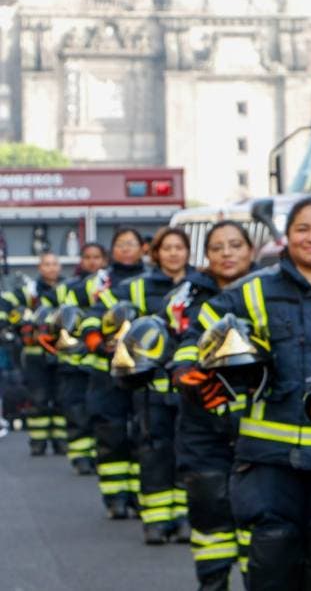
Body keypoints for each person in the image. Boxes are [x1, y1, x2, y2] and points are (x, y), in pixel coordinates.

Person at [175, 197, 311, 591]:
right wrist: (188, 368)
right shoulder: (253, 290)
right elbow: (197, 331)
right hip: (267, 459)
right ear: (287, 237)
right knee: (271, 560)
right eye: (303, 229)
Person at [169, 220, 255, 591]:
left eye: (235, 245)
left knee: (259, 514)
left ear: (250, 251)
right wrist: (183, 371)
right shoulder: (185, 299)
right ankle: (213, 583)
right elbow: (174, 344)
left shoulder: (268, 292)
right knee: (208, 509)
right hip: (202, 421)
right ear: (207, 255)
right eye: (218, 246)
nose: (226, 253)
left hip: (257, 422)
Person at [97, 227, 195, 543]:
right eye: (167, 248)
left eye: (179, 247)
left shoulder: (200, 287)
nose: (173, 254)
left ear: (187, 252)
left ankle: (183, 518)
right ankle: (155, 520)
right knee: (153, 451)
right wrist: (107, 339)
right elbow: (108, 316)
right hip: (150, 386)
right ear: (155, 253)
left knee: (187, 451)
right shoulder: (137, 287)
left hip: (188, 386)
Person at [79, 227, 147, 518]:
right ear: (113, 250)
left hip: (143, 370)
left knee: (143, 433)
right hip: (107, 373)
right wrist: (93, 338)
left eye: (131, 244)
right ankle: (115, 496)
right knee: (112, 432)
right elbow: (87, 317)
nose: (126, 249)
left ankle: (138, 493)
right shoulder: (104, 283)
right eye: (120, 245)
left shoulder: (153, 281)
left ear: (143, 248)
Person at [0, 251, 70, 455]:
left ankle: (61, 441)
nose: (50, 268)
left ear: (60, 267)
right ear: (40, 268)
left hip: (61, 352)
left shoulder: (67, 290)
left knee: (61, 398)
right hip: (34, 354)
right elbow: (4, 304)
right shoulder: (30, 291)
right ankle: (38, 442)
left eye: (54, 264)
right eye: (46, 264)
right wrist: (12, 321)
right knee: (38, 398)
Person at [60, 242, 108, 474]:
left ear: (104, 260)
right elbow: (66, 321)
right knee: (77, 409)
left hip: (102, 362)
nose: (92, 262)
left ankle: (99, 453)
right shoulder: (75, 289)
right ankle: (81, 456)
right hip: (77, 361)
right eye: (88, 257)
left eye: (97, 256)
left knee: (100, 412)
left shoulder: (112, 285)